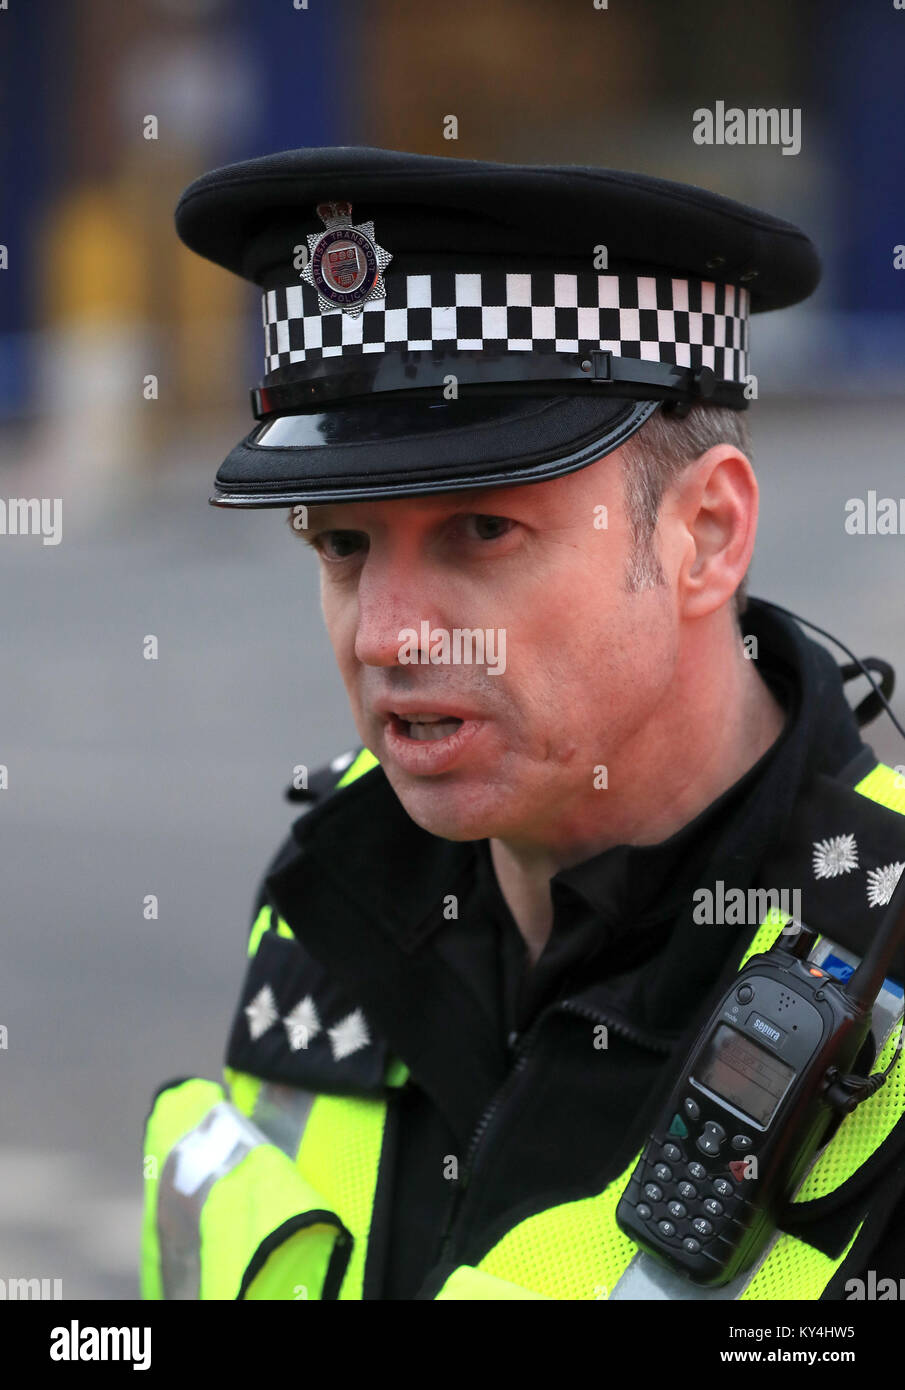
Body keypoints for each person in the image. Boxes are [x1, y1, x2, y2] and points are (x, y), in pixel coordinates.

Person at [141, 147, 905, 1301]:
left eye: (480, 533)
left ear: (702, 533)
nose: (387, 635)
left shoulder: (877, 954)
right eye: (343, 544)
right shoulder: (338, 878)